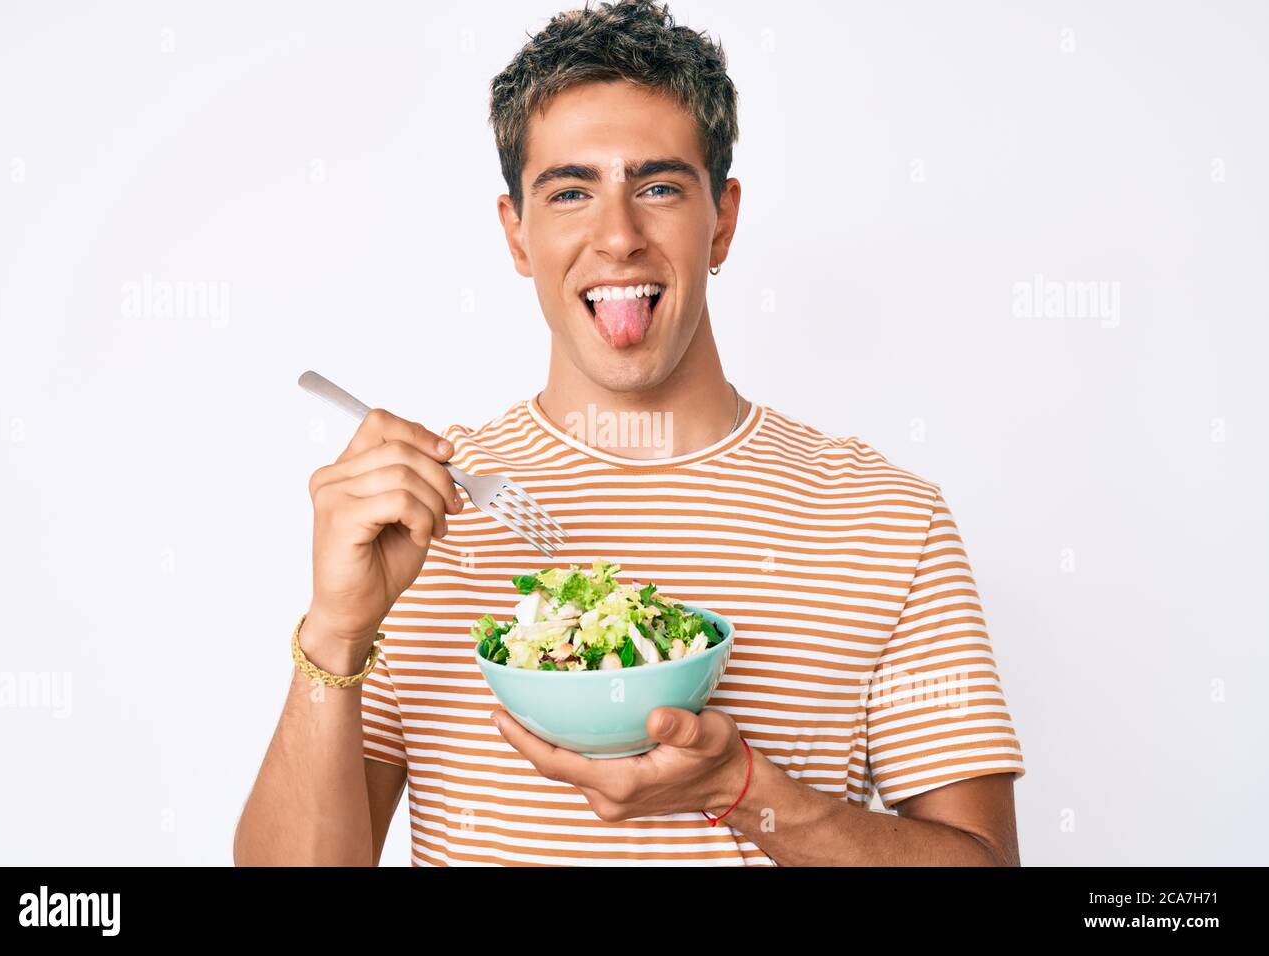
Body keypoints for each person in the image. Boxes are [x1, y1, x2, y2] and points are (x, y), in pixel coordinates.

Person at [234, 0, 1024, 866]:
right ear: (517, 233)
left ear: (721, 220)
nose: (617, 237)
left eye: (657, 187)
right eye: (571, 192)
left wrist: (743, 793)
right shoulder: (420, 516)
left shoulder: (886, 517)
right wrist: (336, 632)